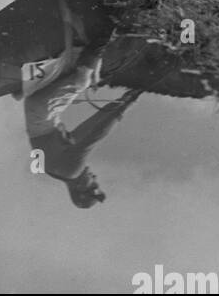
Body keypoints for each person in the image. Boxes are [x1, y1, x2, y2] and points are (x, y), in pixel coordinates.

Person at [24, 44, 141, 208]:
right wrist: (123, 101)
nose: (95, 177)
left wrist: (124, 106)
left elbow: (95, 136)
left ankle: (98, 44)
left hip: (42, 112)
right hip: (41, 114)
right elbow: (89, 128)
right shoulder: (61, 170)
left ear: (79, 188)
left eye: (92, 185)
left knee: (82, 80)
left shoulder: (72, 170)